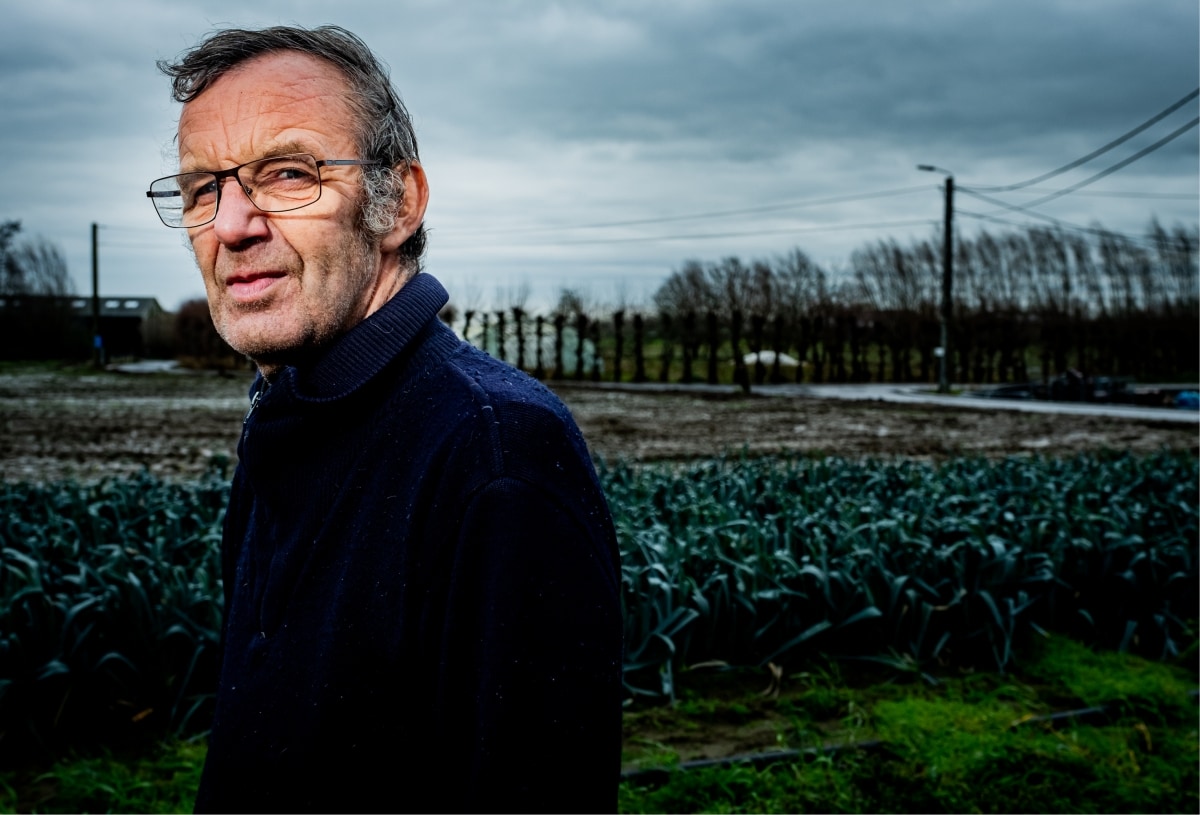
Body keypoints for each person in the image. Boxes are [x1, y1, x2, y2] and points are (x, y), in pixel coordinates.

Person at [148, 25, 623, 813]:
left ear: (397, 203)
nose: (231, 225)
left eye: (288, 173)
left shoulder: (494, 456)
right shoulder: (287, 424)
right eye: (204, 188)